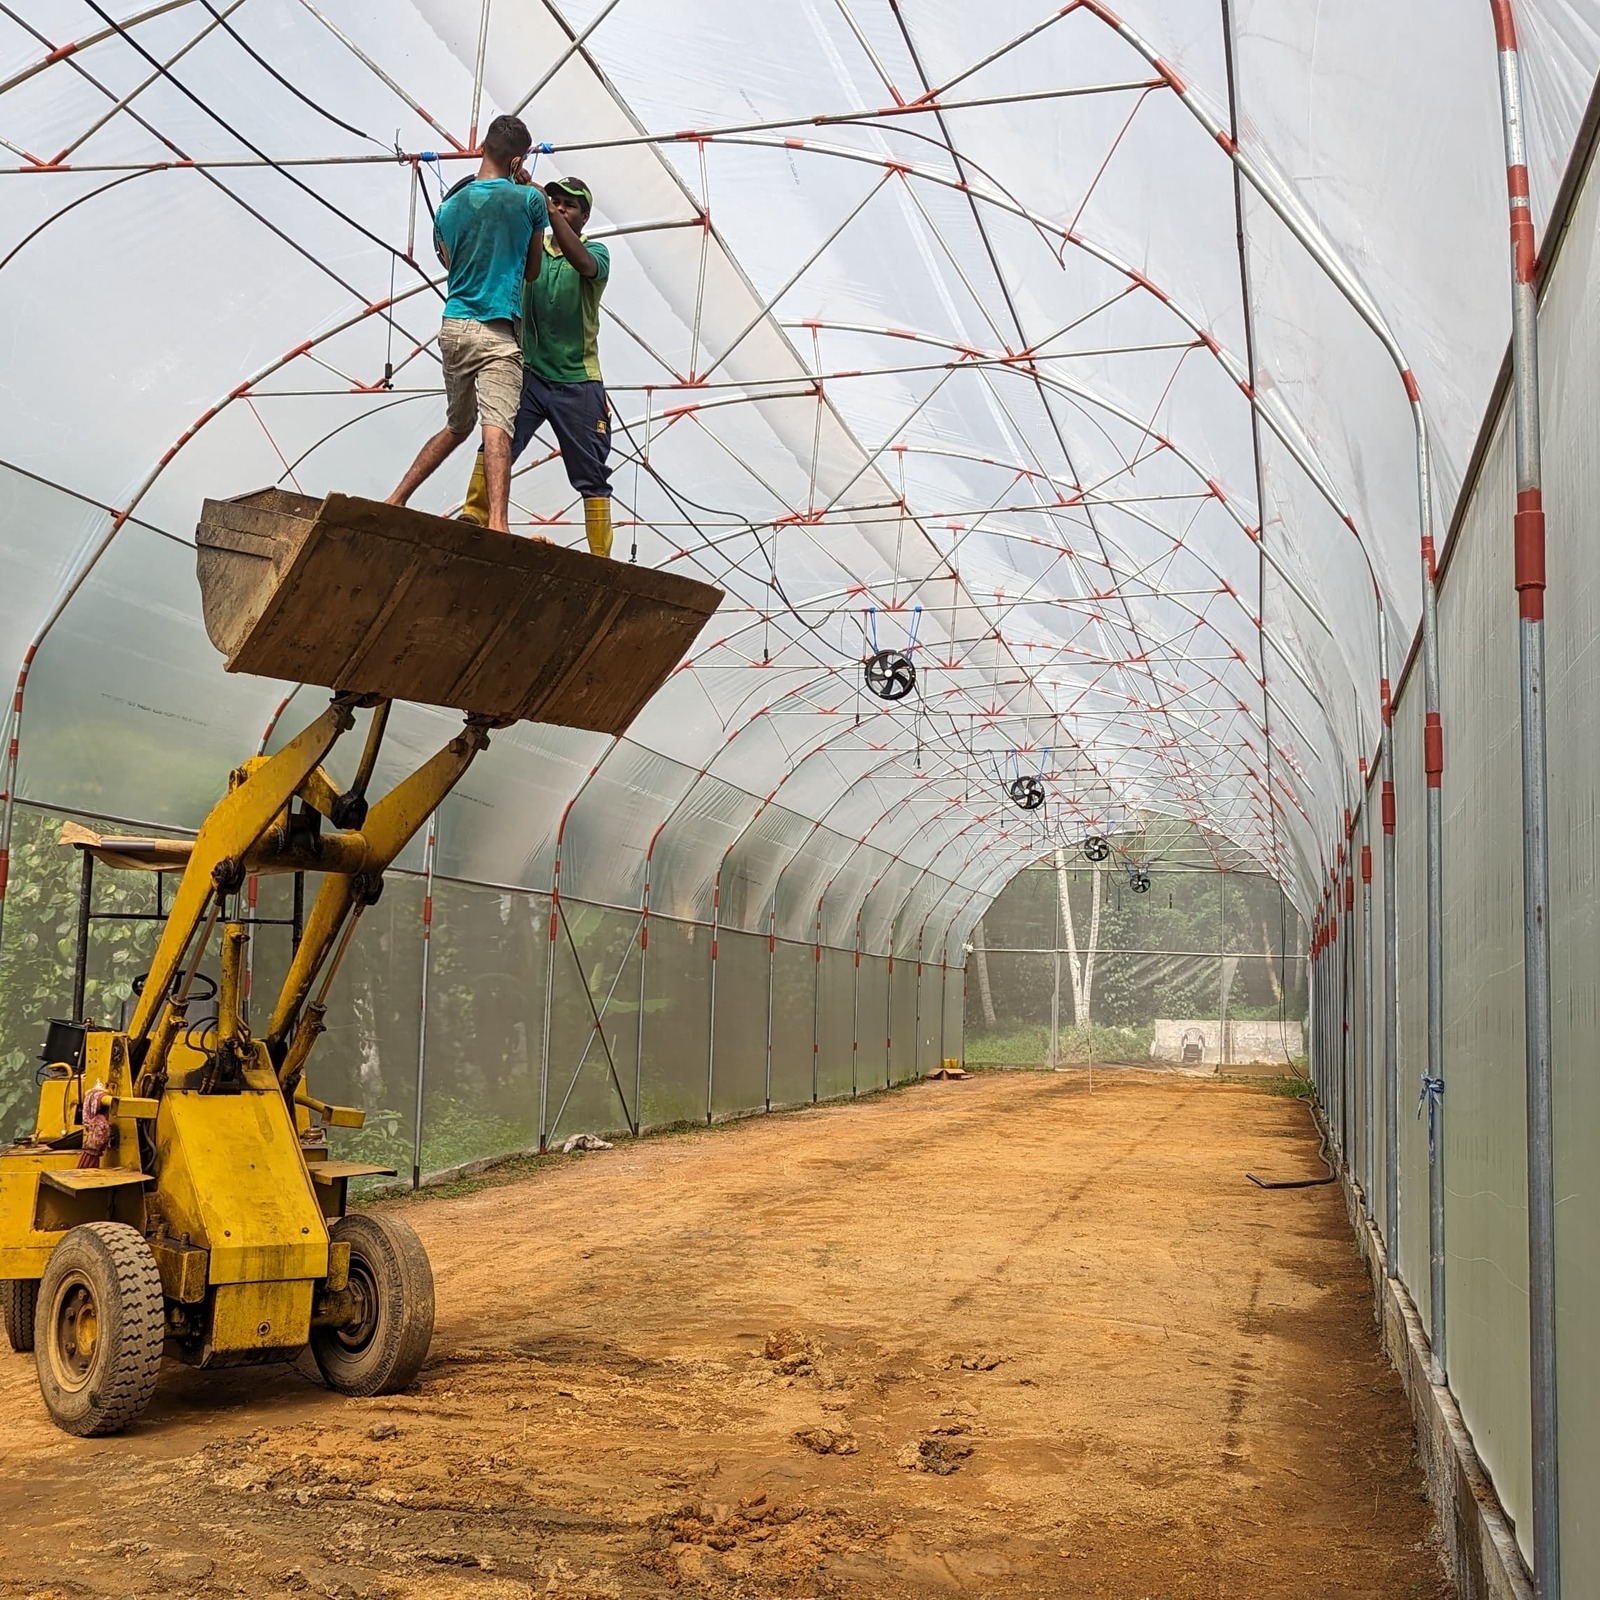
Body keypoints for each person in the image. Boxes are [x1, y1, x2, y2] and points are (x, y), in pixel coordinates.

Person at [387, 115, 548, 534]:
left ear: (481, 148)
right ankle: (497, 523)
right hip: (497, 331)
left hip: (454, 327)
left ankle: (396, 498)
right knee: (498, 426)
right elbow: (532, 271)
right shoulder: (528, 202)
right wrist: (525, 189)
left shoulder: (448, 209)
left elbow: (449, 261)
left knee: (459, 424)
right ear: (517, 162)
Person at [458, 175, 615, 557]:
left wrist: (543, 207)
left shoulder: (597, 253)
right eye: (555, 200)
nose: (560, 207)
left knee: (591, 471)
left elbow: (581, 260)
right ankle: (474, 513)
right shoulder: (533, 250)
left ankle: (601, 557)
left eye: (569, 205)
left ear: (585, 216)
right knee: (499, 437)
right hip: (529, 372)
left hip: (577, 381)